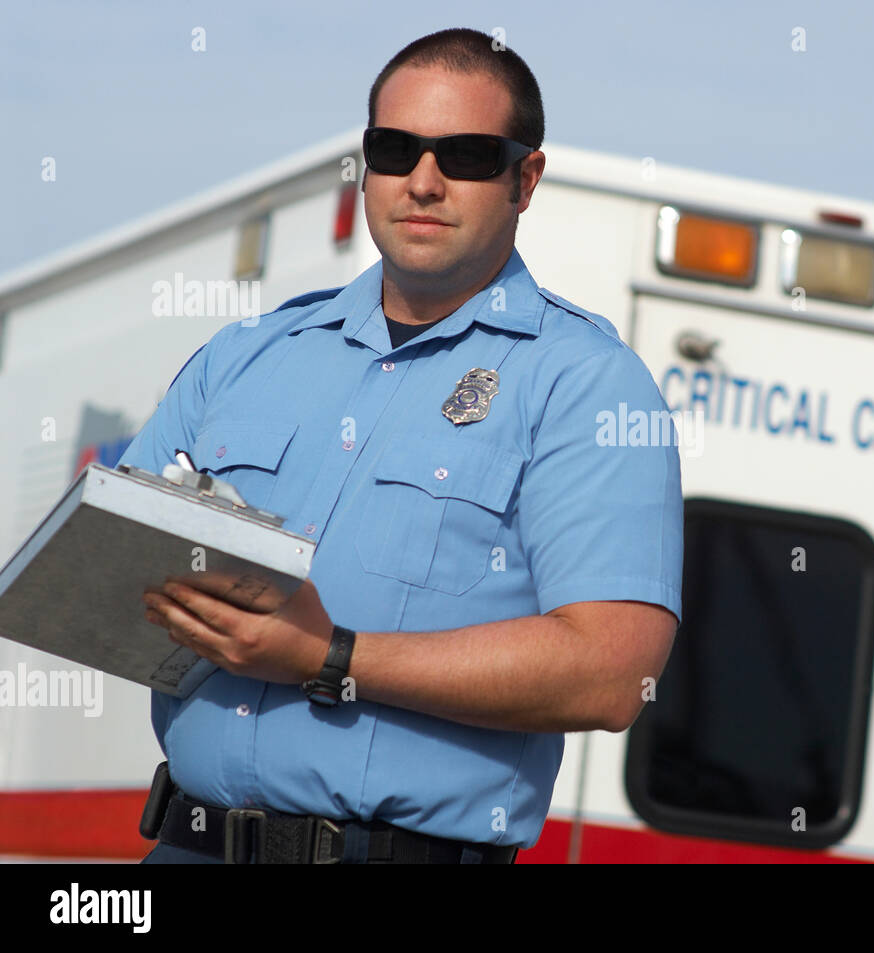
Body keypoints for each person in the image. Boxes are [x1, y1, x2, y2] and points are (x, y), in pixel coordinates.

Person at [122, 27, 683, 864]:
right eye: (395, 148)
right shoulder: (245, 355)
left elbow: (612, 673)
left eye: (465, 154)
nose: (423, 181)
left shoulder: (587, 384)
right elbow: (110, 563)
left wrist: (330, 656)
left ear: (524, 179)